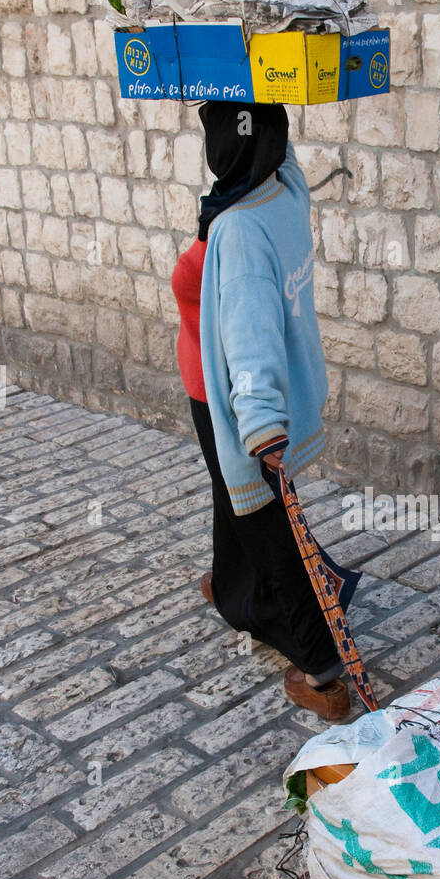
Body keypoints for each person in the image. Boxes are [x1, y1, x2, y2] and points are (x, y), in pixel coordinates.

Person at [170, 100, 358, 721]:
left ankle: (323, 669)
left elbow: (249, 336)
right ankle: (232, 590)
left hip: (233, 404)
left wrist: (257, 424)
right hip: (227, 388)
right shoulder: (282, 188)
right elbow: (278, 144)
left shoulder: (238, 229)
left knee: (267, 527)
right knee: (232, 504)